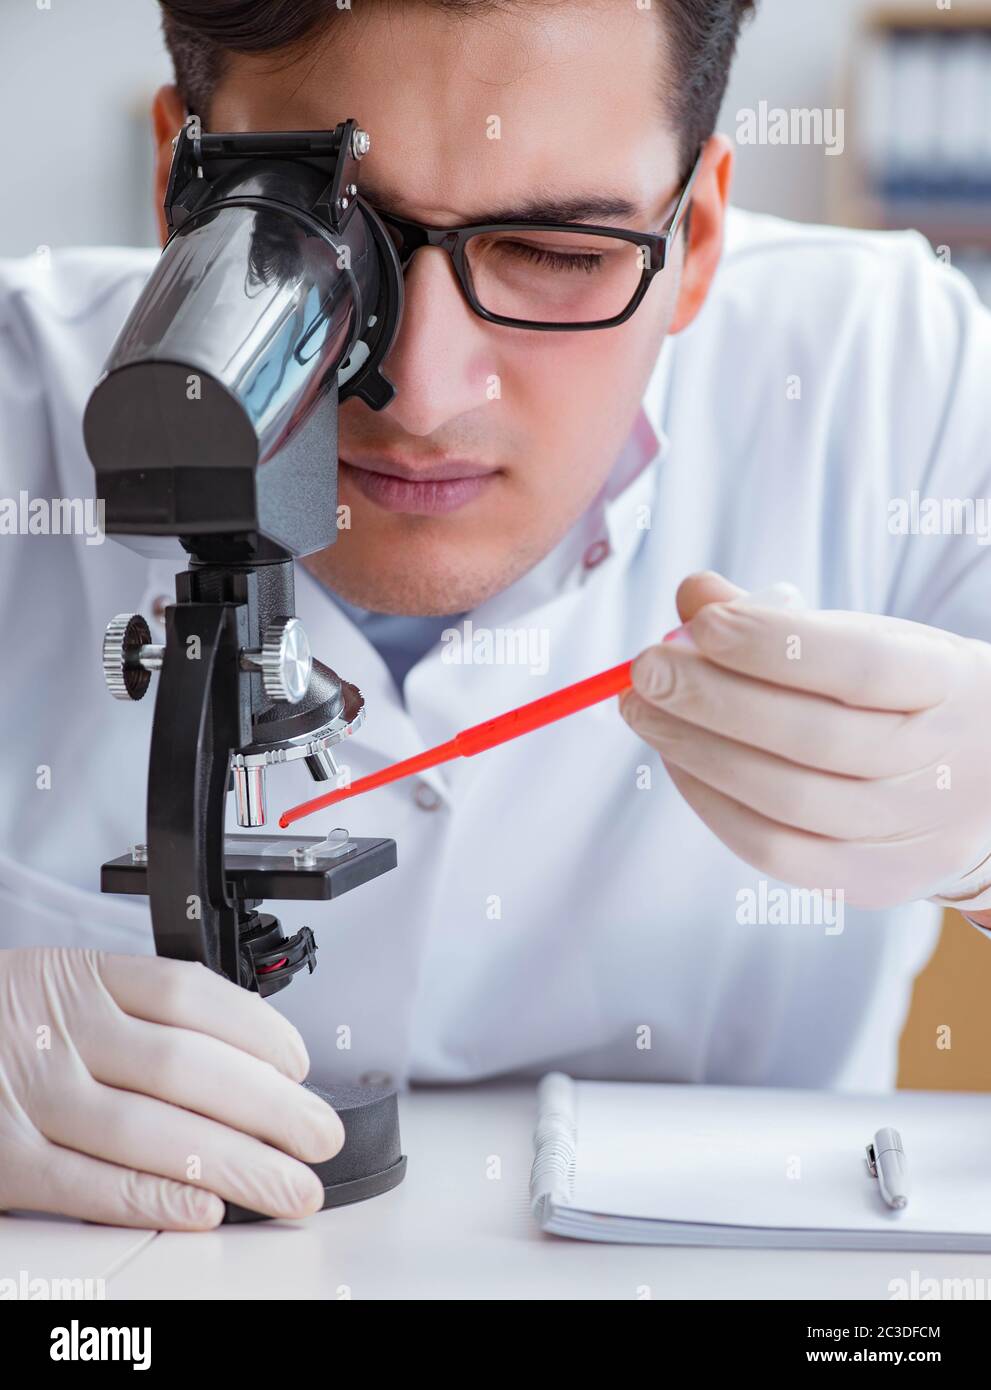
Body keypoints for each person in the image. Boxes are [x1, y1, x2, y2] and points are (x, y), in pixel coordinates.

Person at [1, 0, 990, 1231]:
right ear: (174, 186)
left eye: (560, 253)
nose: (421, 388)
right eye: (320, 235)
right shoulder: (14, 394)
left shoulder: (894, 372)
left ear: (705, 228)